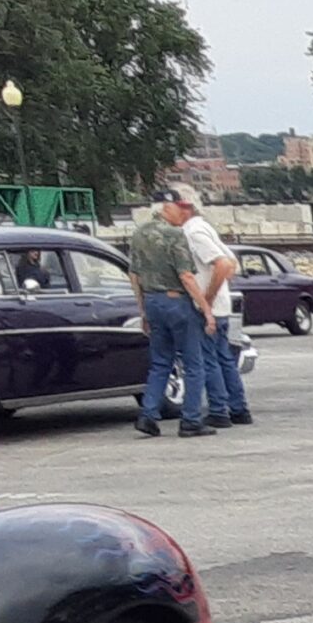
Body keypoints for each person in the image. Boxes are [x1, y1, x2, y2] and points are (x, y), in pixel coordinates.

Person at [124, 185, 216, 438]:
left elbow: (134, 275)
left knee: (160, 362)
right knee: (193, 362)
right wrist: (206, 309)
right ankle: (190, 420)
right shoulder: (175, 235)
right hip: (176, 302)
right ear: (167, 207)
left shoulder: (139, 234)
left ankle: (148, 414)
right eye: (179, 207)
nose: (182, 213)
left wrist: (142, 310)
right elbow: (186, 276)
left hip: (152, 301)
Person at [180, 199, 253, 426]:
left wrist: (206, 300)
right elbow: (231, 263)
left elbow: (222, 264)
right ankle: (238, 408)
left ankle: (219, 410)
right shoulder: (206, 227)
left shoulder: (192, 233)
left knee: (209, 359)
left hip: (210, 305)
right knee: (224, 358)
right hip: (222, 304)